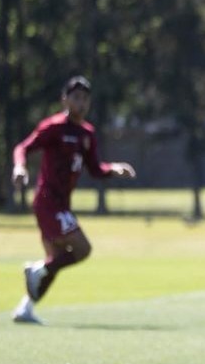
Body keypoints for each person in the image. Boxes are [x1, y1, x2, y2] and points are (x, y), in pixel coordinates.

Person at [11, 75, 137, 324]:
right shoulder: (53, 127)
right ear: (64, 99)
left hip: (61, 205)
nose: (81, 103)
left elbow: (95, 169)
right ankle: (36, 270)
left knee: (54, 262)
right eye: (76, 97)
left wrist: (113, 168)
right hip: (48, 202)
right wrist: (19, 168)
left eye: (85, 99)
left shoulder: (87, 133)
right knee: (83, 249)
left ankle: (25, 308)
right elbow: (22, 148)